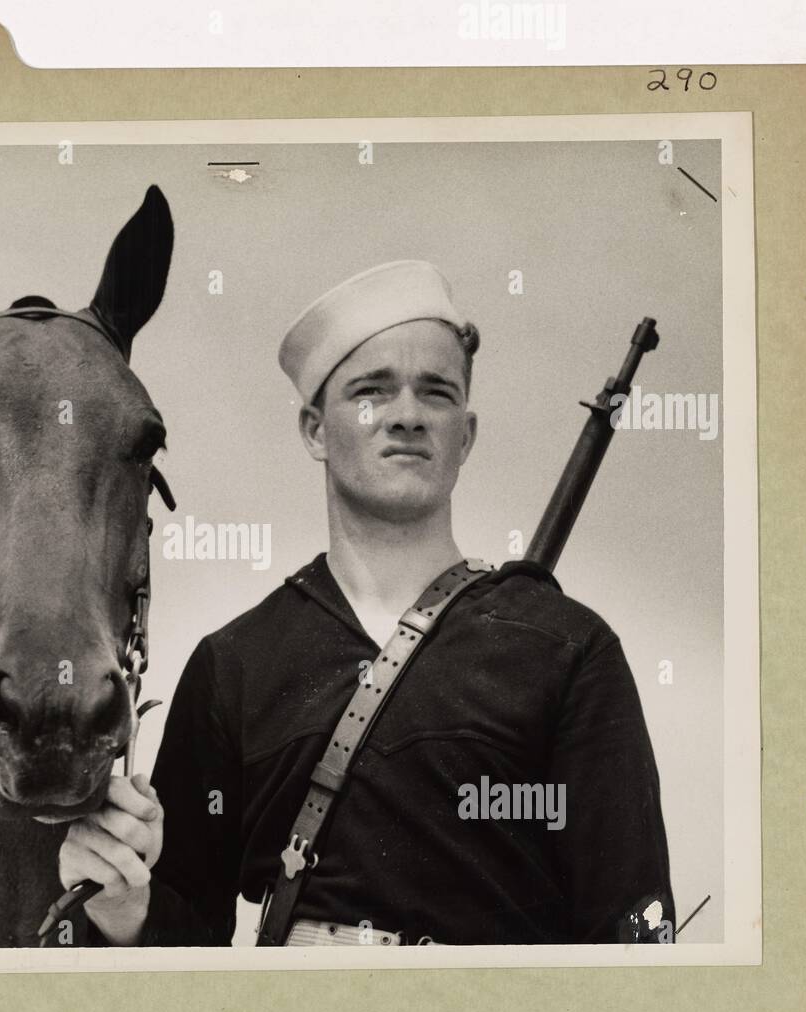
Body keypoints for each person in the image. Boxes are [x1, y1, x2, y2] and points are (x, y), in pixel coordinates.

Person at [58, 260, 676, 947]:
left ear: (464, 436)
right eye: (371, 391)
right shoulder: (233, 667)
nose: (407, 414)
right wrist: (123, 910)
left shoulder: (568, 651)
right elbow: (185, 959)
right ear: (315, 430)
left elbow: (634, 938)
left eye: (436, 393)